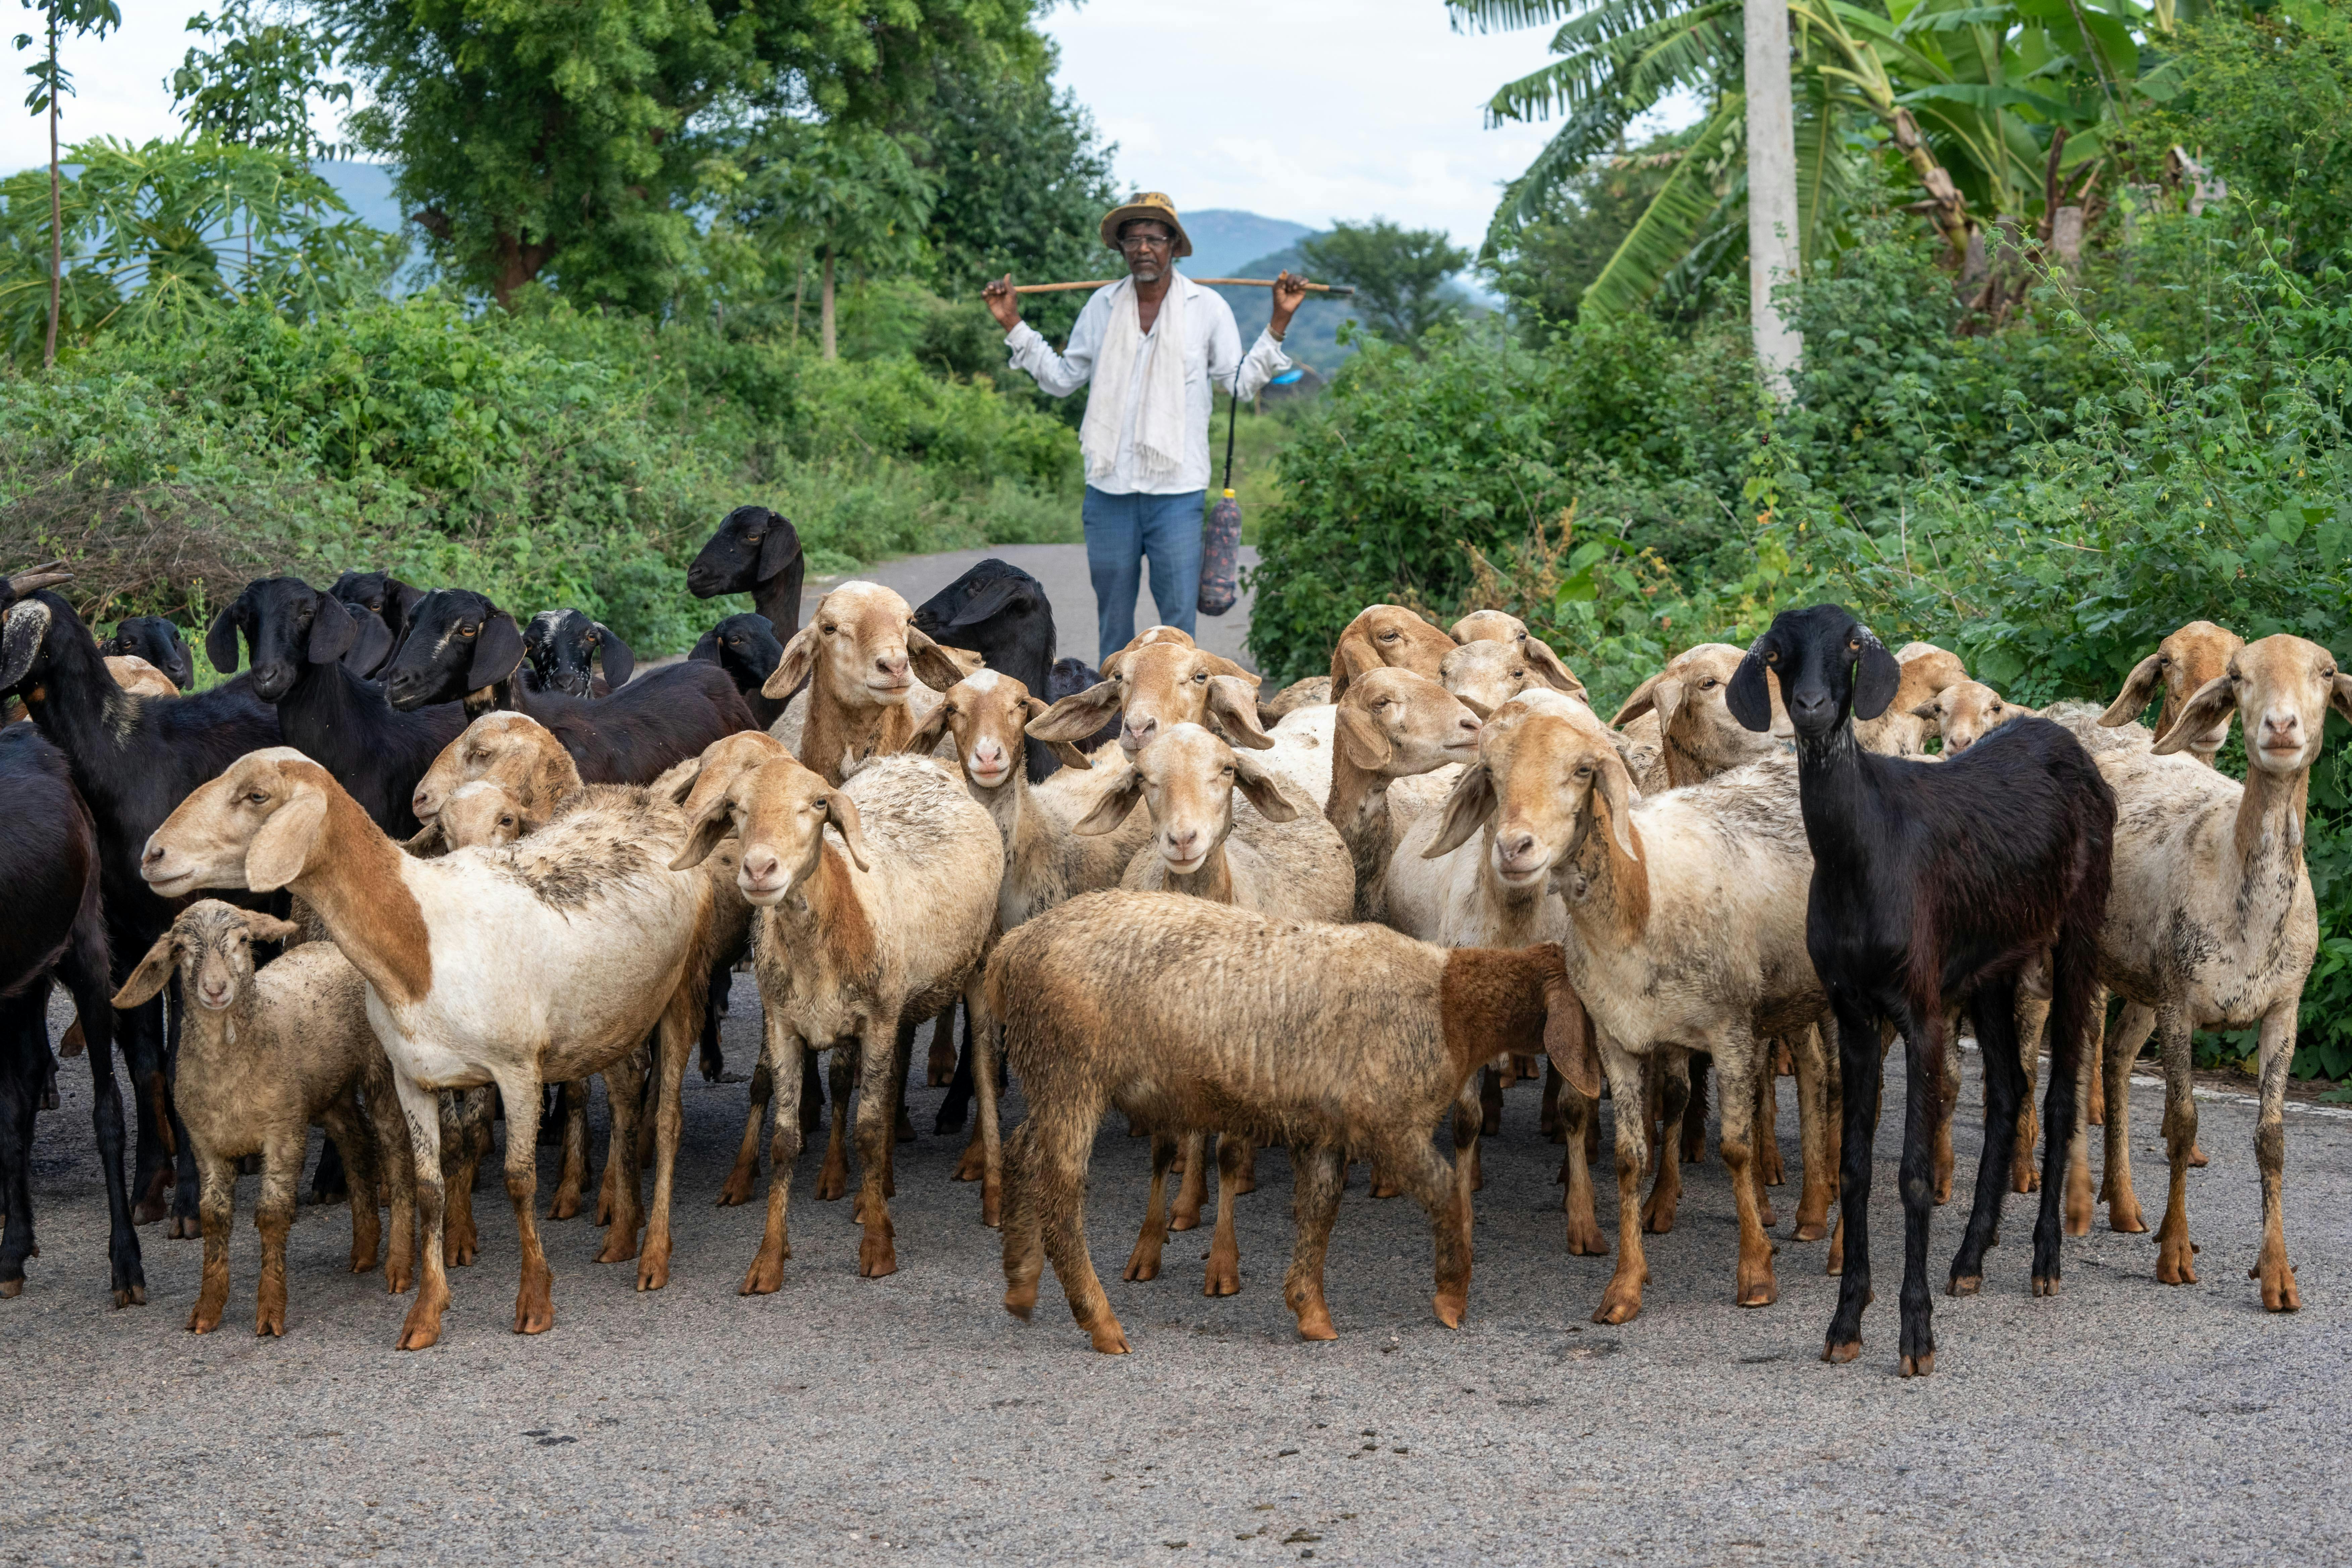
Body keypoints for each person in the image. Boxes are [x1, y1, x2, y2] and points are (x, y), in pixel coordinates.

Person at [984, 192, 1307, 656]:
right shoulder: (1101, 306)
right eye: (1132, 239)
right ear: (1121, 249)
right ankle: (1112, 702)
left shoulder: (1208, 308)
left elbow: (1237, 385)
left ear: (1174, 245)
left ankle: (1177, 704)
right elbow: (1061, 379)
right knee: (1113, 621)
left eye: (1154, 238)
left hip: (1178, 492)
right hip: (1108, 491)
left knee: (1177, 625)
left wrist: (1279, 321)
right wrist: (1013, 322)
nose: (1142, 248)